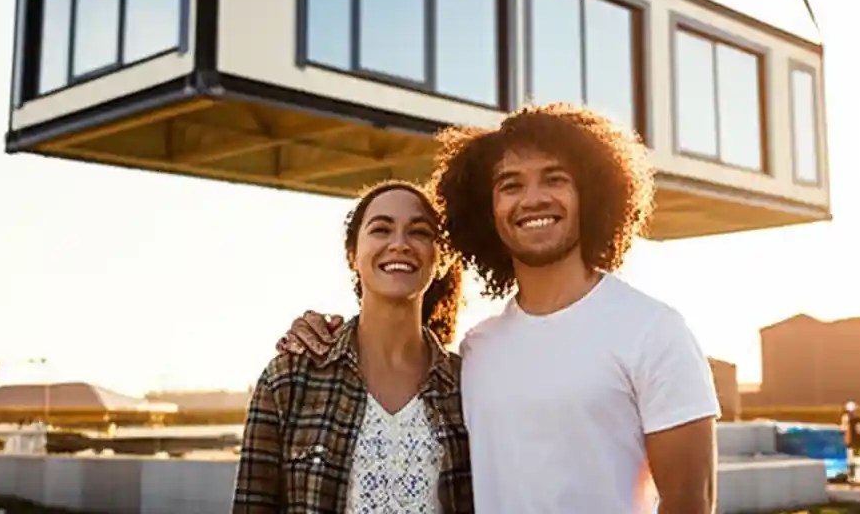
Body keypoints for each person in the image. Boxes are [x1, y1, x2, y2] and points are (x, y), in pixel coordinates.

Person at [281, 103, 721, 513]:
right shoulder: (477, 349)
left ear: (591, 193)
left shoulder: (653, 330)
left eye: (555, 178)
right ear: (487, 210)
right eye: (511, 185)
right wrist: (323, 331)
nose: (533, 199)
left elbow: (690, 501)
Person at [234, 180, 472, 513]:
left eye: (419, 232)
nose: (400, 244)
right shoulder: (288, 379)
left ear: (441, 257)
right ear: (352, 254)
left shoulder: (470, 385)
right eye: (381, 229)